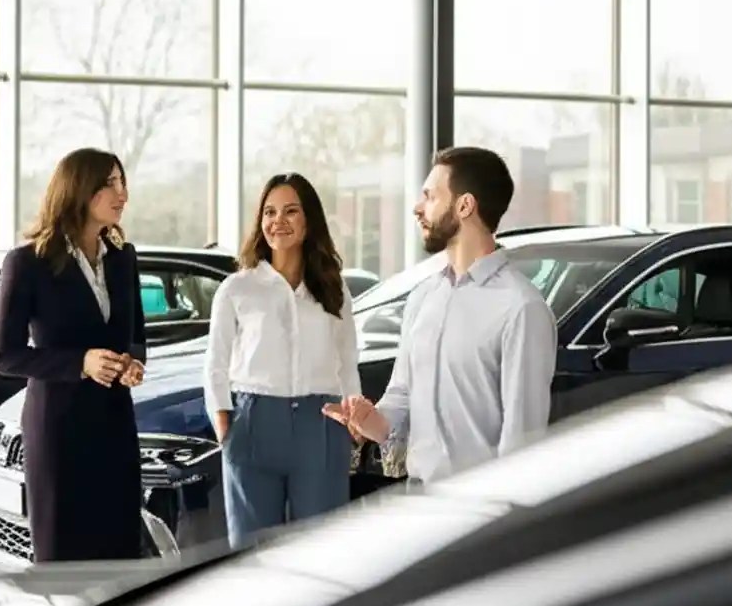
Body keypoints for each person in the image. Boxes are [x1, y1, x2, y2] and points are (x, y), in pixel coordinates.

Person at [323, 146, 556, 485]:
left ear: (465, 205)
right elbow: (401, 397)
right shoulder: (423, 297)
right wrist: (366, 421)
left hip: (481, 510)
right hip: (421, 504)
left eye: (430, 197)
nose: (418, 208)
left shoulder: (522, 308)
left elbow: (522, 439)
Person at [0, 147, 148, 562]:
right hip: (58, 433)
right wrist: (81, 363)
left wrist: (132, 363)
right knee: (63, 559)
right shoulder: (27, 264)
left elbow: (135, 336)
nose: (122, 193)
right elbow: (4, 355)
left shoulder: (122, 260)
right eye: (110, 183)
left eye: (122, 182)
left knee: (120, 553)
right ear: (80, 189)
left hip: (115, 428)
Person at [205, 172, 361, 547]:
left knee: (322, 547)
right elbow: (216, 363)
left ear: (309, 221)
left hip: (321, 424)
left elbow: (347, 359)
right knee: (252, 554)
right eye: (270, 212)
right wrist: (225, 424)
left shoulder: (333, 288)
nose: (279, 221)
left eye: (291, 211)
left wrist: (354, 421)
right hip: (254, 423)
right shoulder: (237, 288)